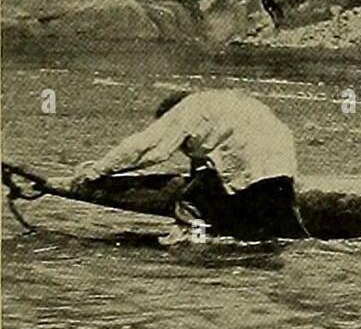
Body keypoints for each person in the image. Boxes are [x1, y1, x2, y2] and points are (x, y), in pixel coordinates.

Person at [72, 89, 305, 242]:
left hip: (251, 167)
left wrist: (97, 170)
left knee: (190, 202)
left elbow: (148, 148)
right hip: (281, 168)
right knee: (283, 234)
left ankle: (193, 248)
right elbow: (209, 155)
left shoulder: (186, 110)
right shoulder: (223, 102)